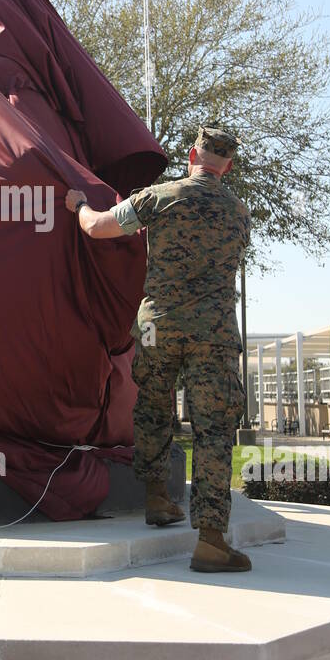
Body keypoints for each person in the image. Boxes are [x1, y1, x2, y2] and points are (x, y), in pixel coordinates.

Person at [65, 126, 252, 574]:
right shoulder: (239, 214)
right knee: (213, 430)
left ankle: (156, 499)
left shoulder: (158, 197)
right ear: (227, 166)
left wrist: (79, 206)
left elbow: (96, 227)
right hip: (213, 333)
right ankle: (210, 540)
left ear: (192, 154)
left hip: (157, 328)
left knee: (152, 406)